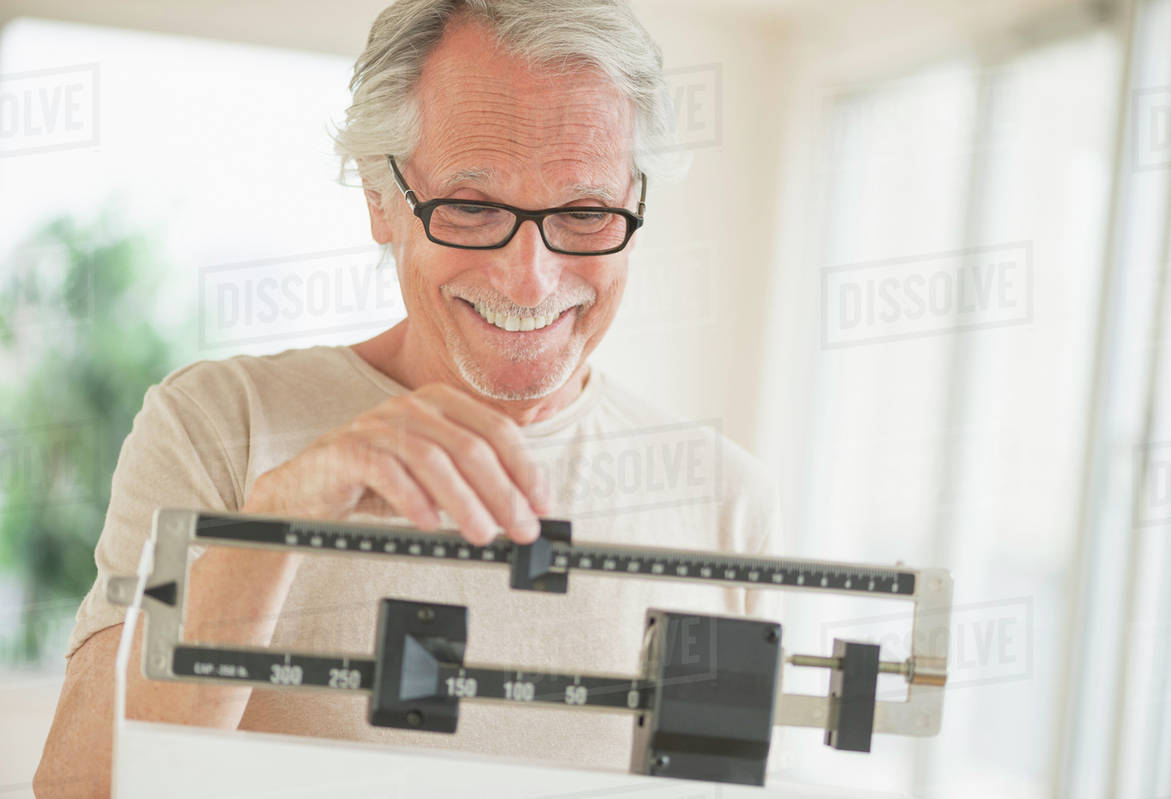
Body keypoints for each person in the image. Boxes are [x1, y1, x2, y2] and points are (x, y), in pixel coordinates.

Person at [34, 1, 783, 795]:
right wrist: (273, 528)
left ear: (636, 199)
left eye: (585, 212)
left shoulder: (727, 503)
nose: (529, 276)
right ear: (380, 197)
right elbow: (79, 787)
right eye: (471, 205)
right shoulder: (216, 426)